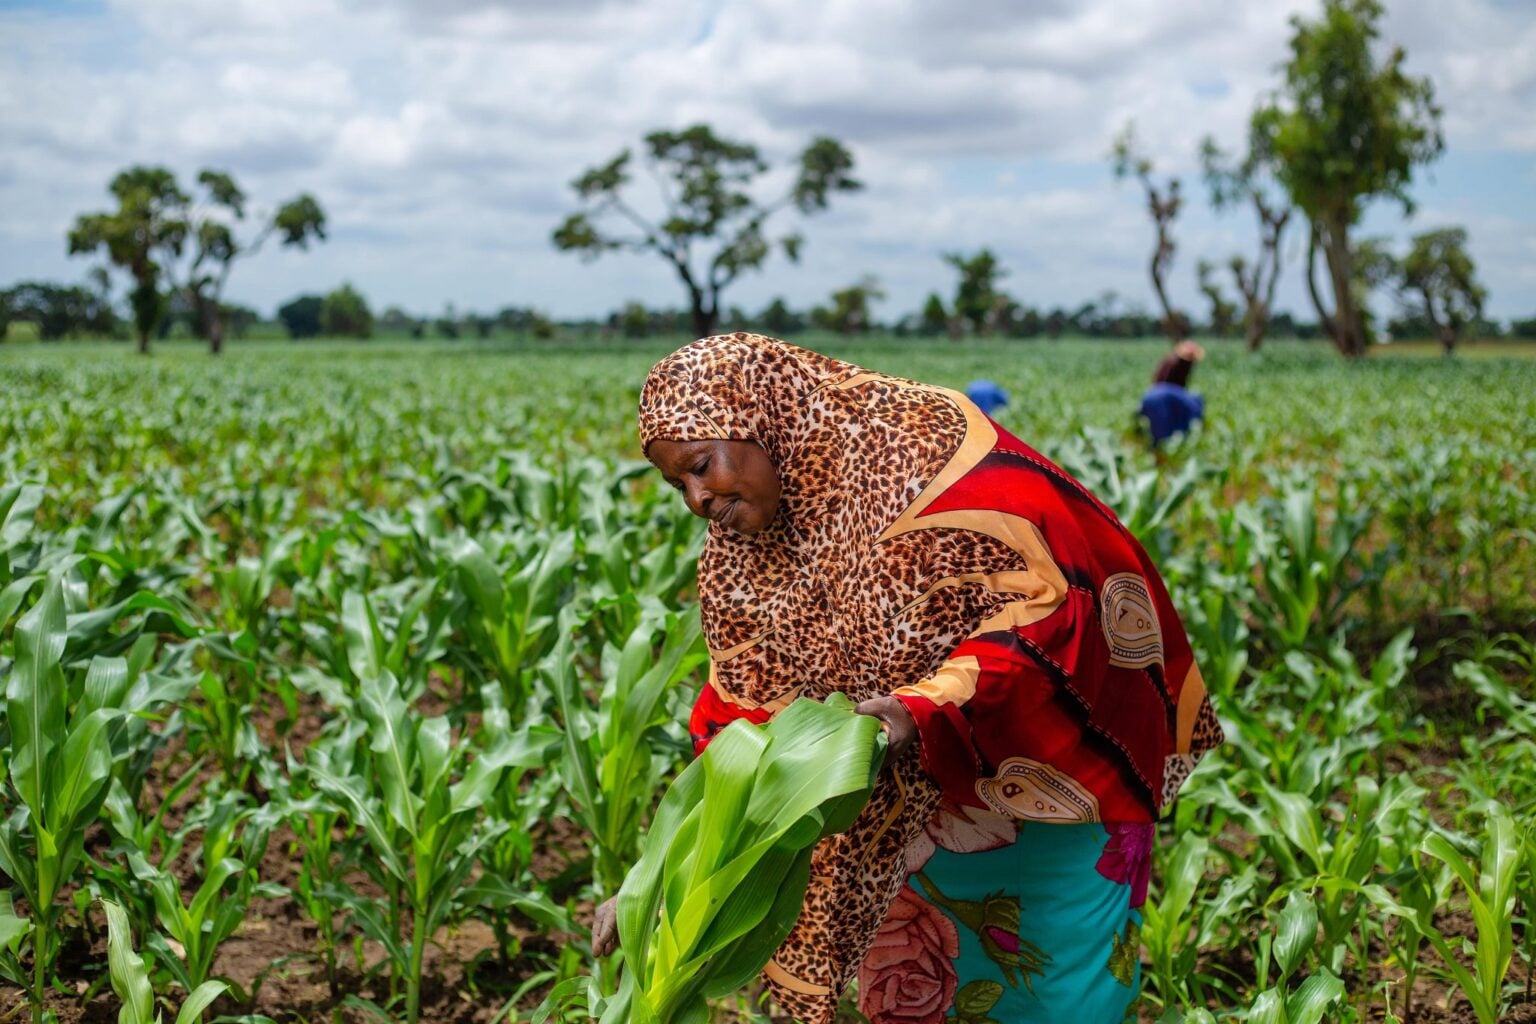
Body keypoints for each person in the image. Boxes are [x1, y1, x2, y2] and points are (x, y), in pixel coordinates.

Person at [596, 333, 1222, 1024]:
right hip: (901, 822)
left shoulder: (931, 456)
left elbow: (1056, 611)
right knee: (922, 986)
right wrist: (661, 880)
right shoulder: (744, 560)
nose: (694, 499)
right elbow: (739, 728)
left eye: (700, 465)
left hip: (1051, 784)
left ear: (762, 416)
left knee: (1051, 990)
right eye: (675, 483)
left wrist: (917, 709)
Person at [1140, 340, 1205, 445]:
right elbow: (1179, 387)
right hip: (1166, 394)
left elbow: (1157, 379)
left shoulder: (1168, 360)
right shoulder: (1184, 365)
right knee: (1195, 403)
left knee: (1158, 439)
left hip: (1150, 394)